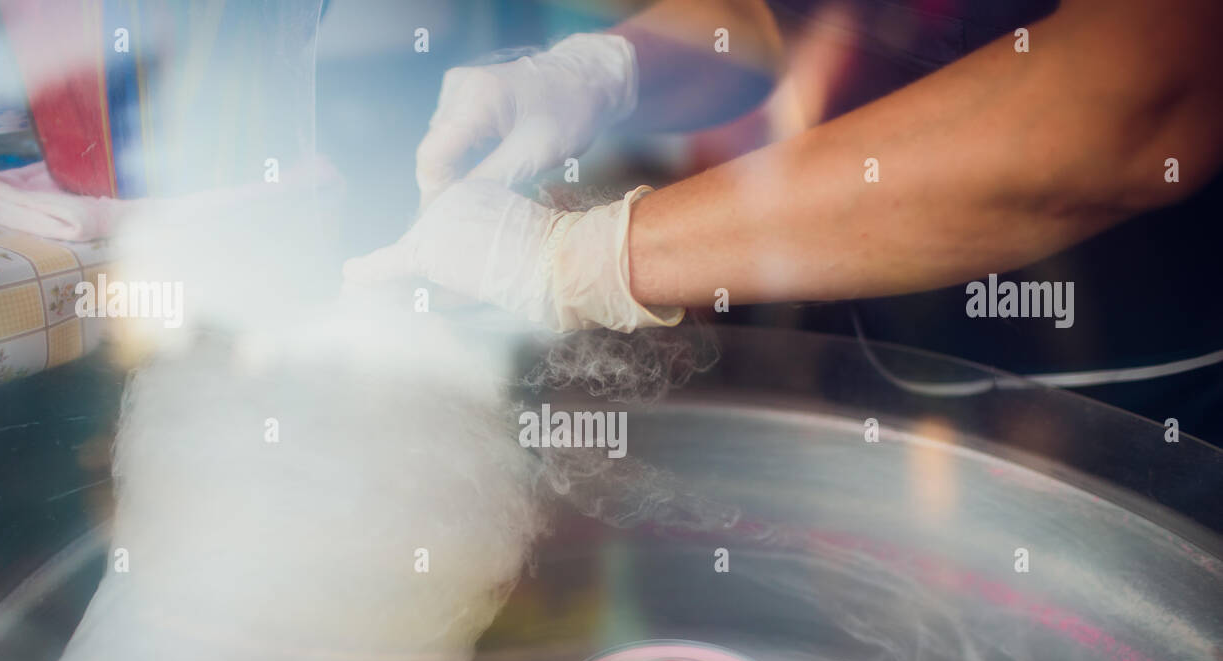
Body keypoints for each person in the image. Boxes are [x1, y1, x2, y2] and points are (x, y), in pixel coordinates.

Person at [344, 0, 1223, 436]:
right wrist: (601, 71)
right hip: (896, 391)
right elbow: (773, 18)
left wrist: (581, 261)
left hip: (1147, 422)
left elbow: (1133, 100)